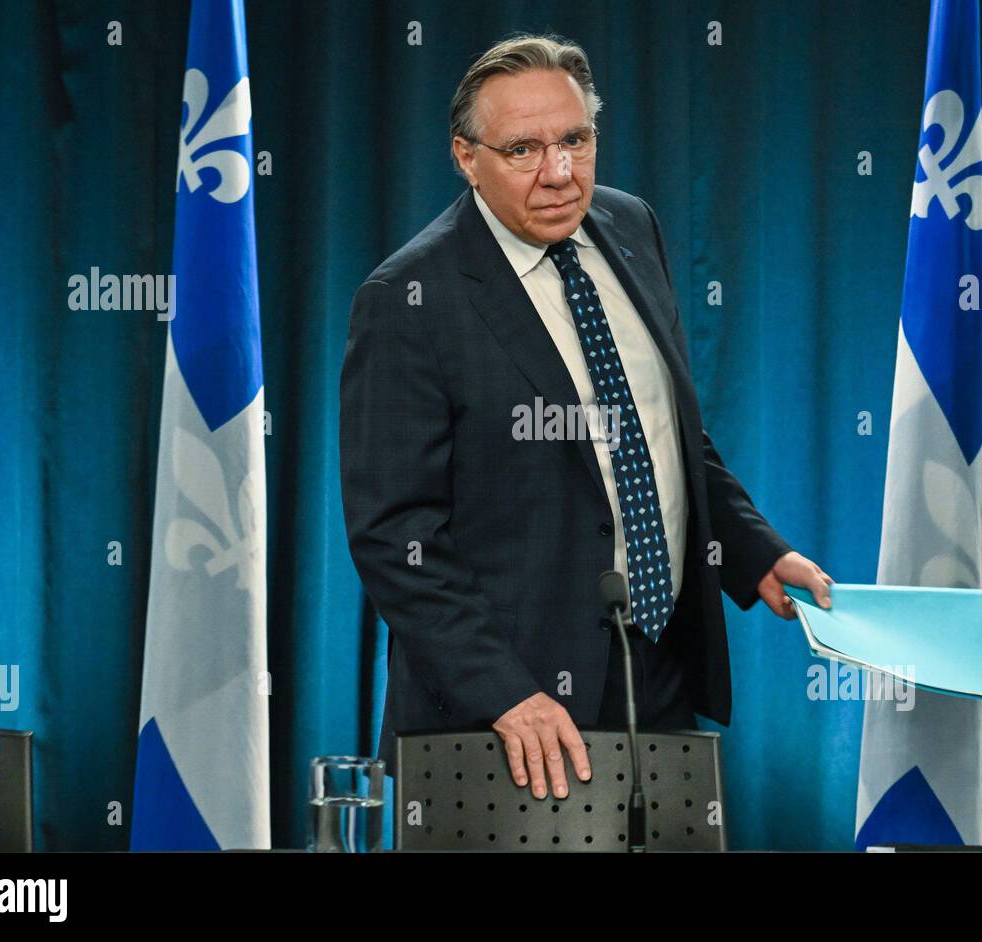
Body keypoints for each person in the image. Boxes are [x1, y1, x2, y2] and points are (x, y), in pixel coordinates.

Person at [339, 33, 833, 802]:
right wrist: (501, 690)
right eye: (524, 150)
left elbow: (664, 431)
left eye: (576, 140)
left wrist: (751, 549)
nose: (560, 174)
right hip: (506, 714)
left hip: (656, 674)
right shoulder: (410, 299)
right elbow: (394, 534)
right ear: (466, 158)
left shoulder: (631, 226)